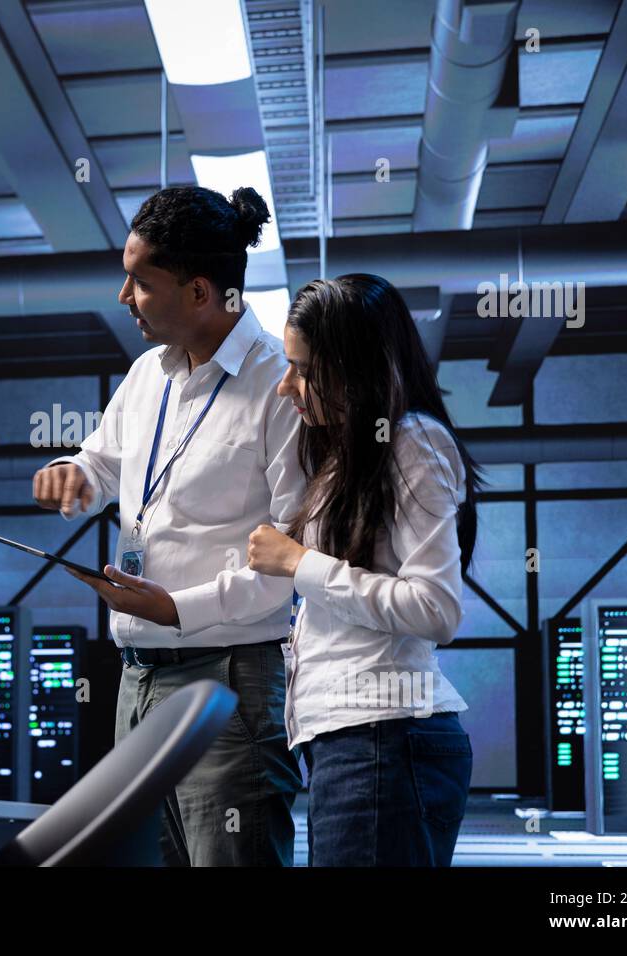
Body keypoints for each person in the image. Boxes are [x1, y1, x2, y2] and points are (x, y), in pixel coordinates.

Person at [31, 185, 305, 866]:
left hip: (228, 685)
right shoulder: (145, 374)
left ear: (201, 292)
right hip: (136, 679)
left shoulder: (280, 387)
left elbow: (288, 565)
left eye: (141, 282)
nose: (125, 298)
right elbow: (101, 460)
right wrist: (75, 471)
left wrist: (175, 607)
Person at [247, 273, 484, 866]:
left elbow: (436, 608)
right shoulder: (343, 455)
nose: (286, 387)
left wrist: (301, 562)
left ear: (356, 365)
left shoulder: (412, 441)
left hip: (382, 737)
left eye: (302, 368)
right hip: (353, 741)